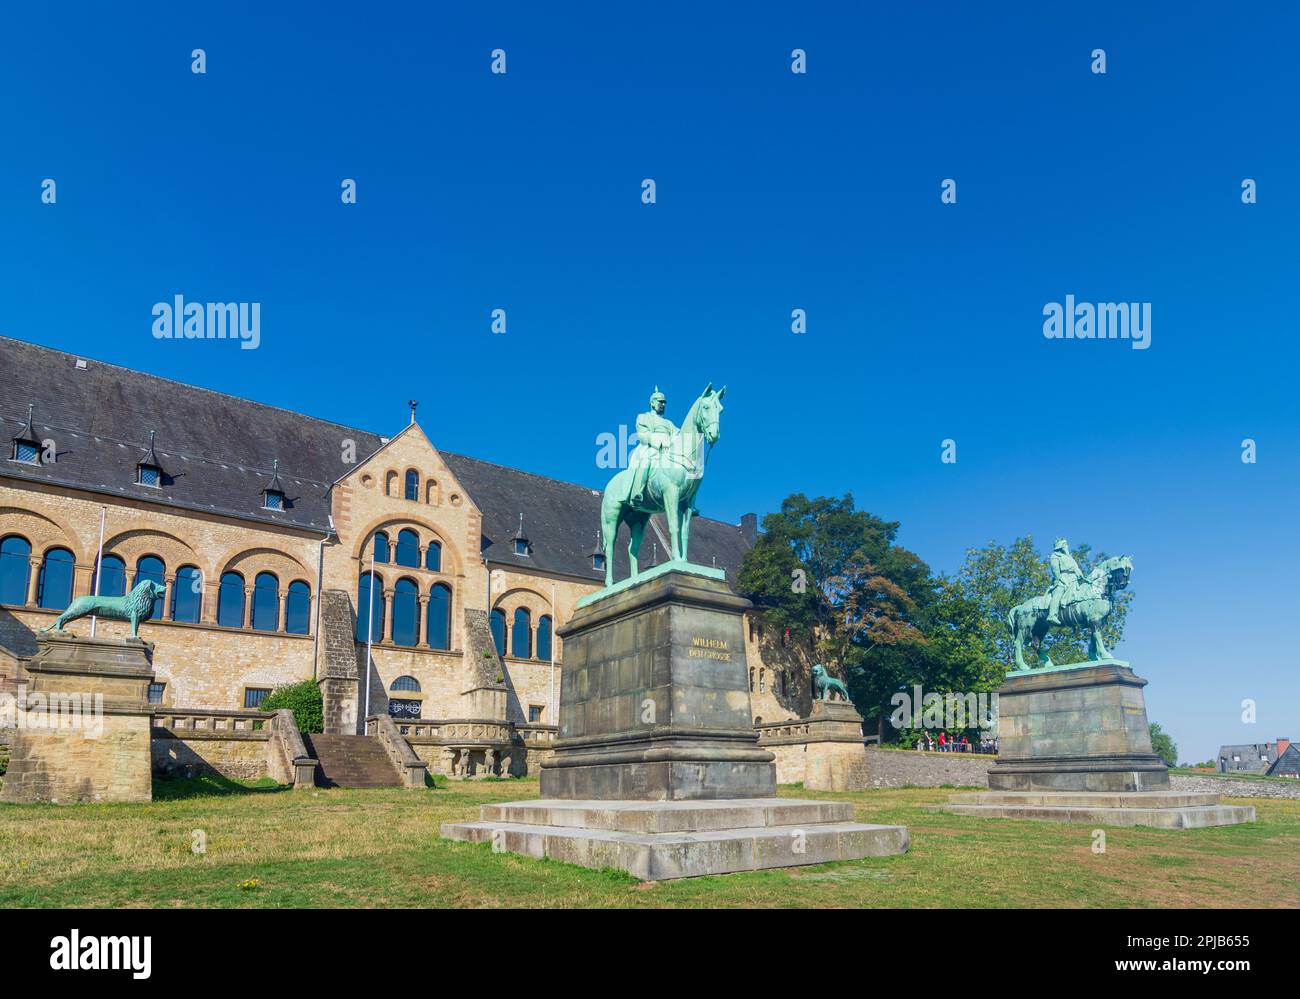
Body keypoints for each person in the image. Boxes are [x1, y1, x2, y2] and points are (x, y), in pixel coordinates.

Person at [625, 387, 677, 506]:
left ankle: (687, 499)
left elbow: (678, 435)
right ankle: (637, 493)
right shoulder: (643, 417)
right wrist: (660, 442)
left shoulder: (669, 423)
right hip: (651, 447)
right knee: (646, 459)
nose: (663, 404)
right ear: (652, 403)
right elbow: (643, 435)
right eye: (660, 401)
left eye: (664, 402)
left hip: (668, 449)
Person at [1046, 537, 1086, 626]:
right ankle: (1052, 615)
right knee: (1058, 593)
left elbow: (1076, 567)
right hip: (1062, 578)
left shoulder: (1069, 557)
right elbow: (1055, 569)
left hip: (1074, 579)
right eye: (1065, 544)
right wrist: (1060, 579)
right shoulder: (1055, 556)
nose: (1067, 546)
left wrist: (1080, 574)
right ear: (1061, 546)